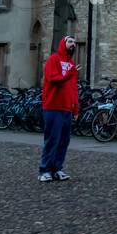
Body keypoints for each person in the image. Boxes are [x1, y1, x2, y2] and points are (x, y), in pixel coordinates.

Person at [39, 36, 79, 182]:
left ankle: (57, 169)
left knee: (64, 141)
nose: (73, 45)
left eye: (74, 43)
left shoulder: (71, 64)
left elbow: (73, 88)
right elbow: (53, 79)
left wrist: (75, 108)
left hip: (67, 108)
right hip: (53, 106)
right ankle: (45, 170)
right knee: (52, 140)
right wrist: (69, 73)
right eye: (70, 42)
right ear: (63, 44)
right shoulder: (53, 59)